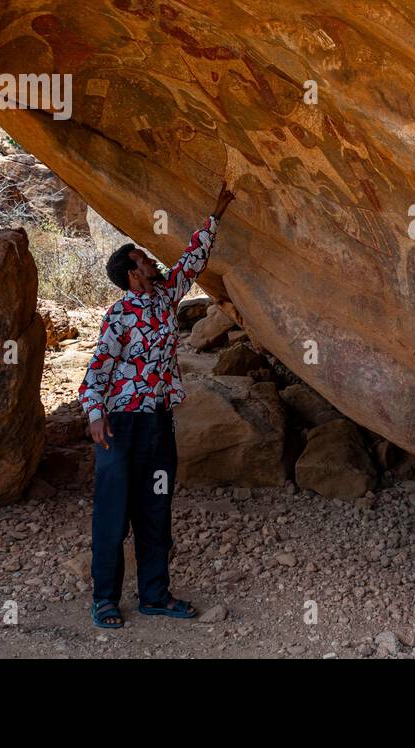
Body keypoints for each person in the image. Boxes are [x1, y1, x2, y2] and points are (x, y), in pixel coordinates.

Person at [77, 183, 236, 628]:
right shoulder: (119, 316)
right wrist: (95, 415)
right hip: (120, 428)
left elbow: (192, 261)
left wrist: (216, 215)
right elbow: (97, 371)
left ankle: (155, 595)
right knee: (112, 514)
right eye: (144, 259)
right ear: (132, 273)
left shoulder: (166, 298)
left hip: (157, 427)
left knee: (156, 509)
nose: (152, 260)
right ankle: (105, 600)